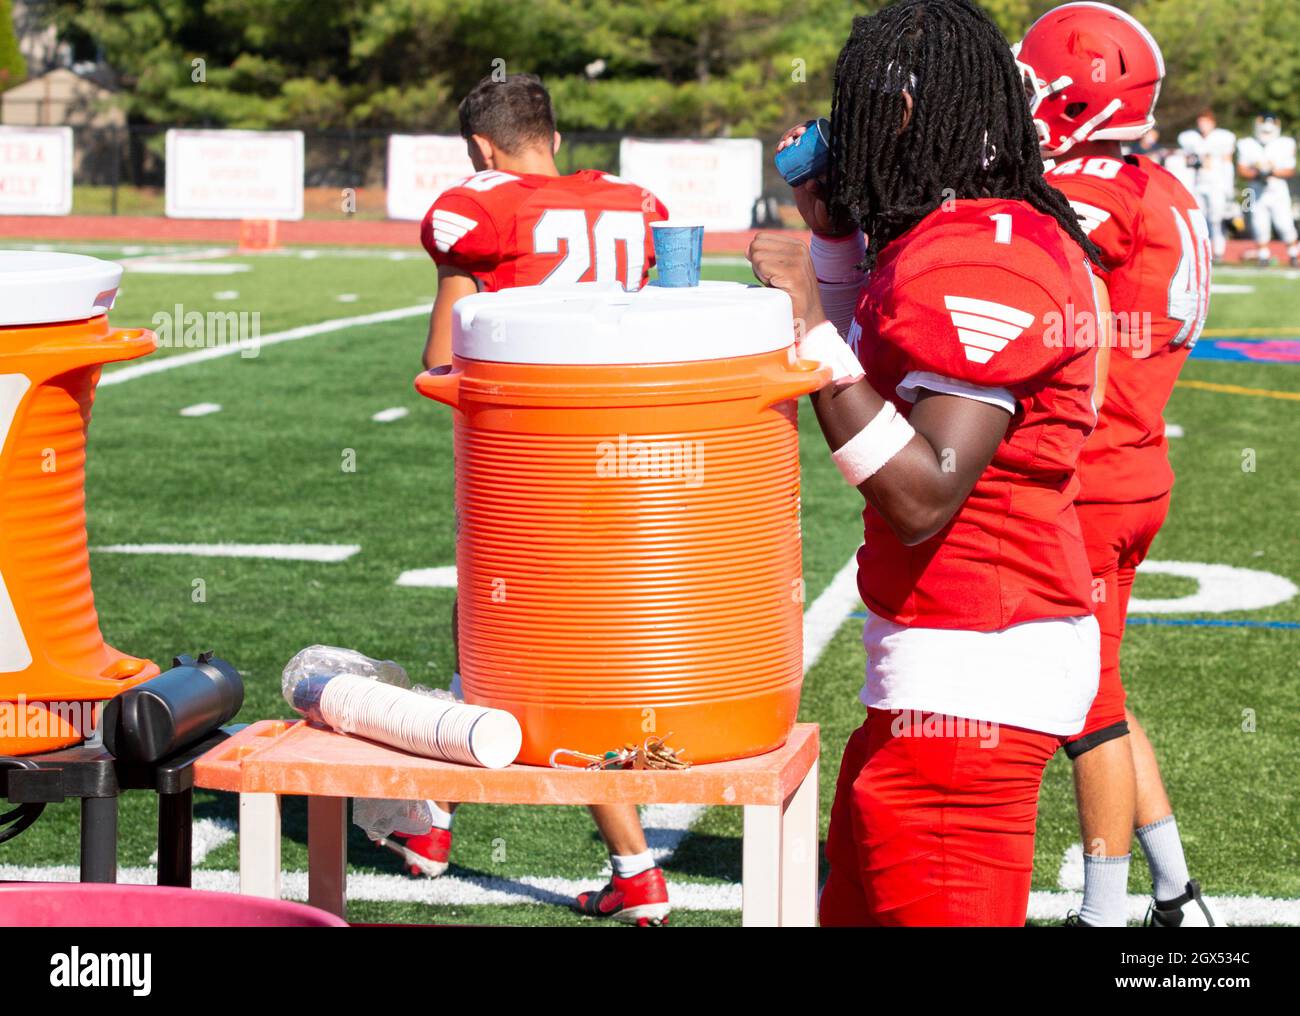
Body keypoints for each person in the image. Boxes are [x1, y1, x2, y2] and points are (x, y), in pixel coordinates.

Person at [751, 0, 1106, 926]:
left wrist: (804, 324)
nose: (848, 135)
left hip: (974, 671)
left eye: (862, 111)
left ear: (903, 115)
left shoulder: (981, 259)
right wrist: (831, 240)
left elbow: (923, 490)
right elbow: (879, 363)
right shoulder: (960, 231)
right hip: (936, 662)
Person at [403, 72, 672, 926]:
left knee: (524, 660)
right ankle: (434, 824)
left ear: (482, 148)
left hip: (532, 471)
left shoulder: (481, 216)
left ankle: (634, 873)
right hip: (627, 462)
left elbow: (441, 359)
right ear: (551, 134)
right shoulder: (634, 204)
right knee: (531, 650)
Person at [1019, 0, 1221, 927]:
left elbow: (1048, 288)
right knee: (1101, 687)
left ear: (1076, 96)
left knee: (1081, 711)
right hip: (1138, 470)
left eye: (1033, 85)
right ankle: (1172, 888)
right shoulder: (1165, 185)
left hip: (1088, 479)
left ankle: (1103, 919)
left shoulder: (1097, 187)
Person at [1236, 113, 1299, 267]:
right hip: (1255, 189)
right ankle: (1263, 256)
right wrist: (1257, 173)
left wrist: (1272, 172)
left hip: (1277, 189)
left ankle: (1293, 255)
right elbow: (1242, 170)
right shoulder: (1247, 144)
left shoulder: (1285, 143)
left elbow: (1290, 170)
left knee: (1284, 223)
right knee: (1259, 224)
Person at [1177, 110, 1236, 263]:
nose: (1203, 125)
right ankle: (1201, 251)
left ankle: (1218, 251)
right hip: (1198, 183)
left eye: (1206, 121)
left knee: (1216, 218)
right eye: (1201, 121)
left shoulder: (1222, 137)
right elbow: (1186, 162)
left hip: (1216, 183)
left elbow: (1228, 162)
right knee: (1198, 219)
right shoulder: (1190, 138)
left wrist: (1229, 186)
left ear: (1213, 123)